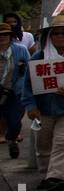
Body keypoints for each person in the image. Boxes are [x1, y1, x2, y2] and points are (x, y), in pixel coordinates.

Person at [21, 16, 64, 191]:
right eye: (56, 33)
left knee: (63, 142)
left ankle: (56, 178)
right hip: (43, 109)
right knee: (43, 144)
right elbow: (27, 86)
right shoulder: (38, 58)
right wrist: (30, 106)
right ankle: (46, 175)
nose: (60, 36)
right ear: (49, 36)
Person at [0, 24, 32, 159]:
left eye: (5, 35)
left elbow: (30, 69)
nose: (2, 38)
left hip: (16, 91)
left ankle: (12, 139)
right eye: (0, 35)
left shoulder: (21, 50)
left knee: (15, 120)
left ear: (11, 36)